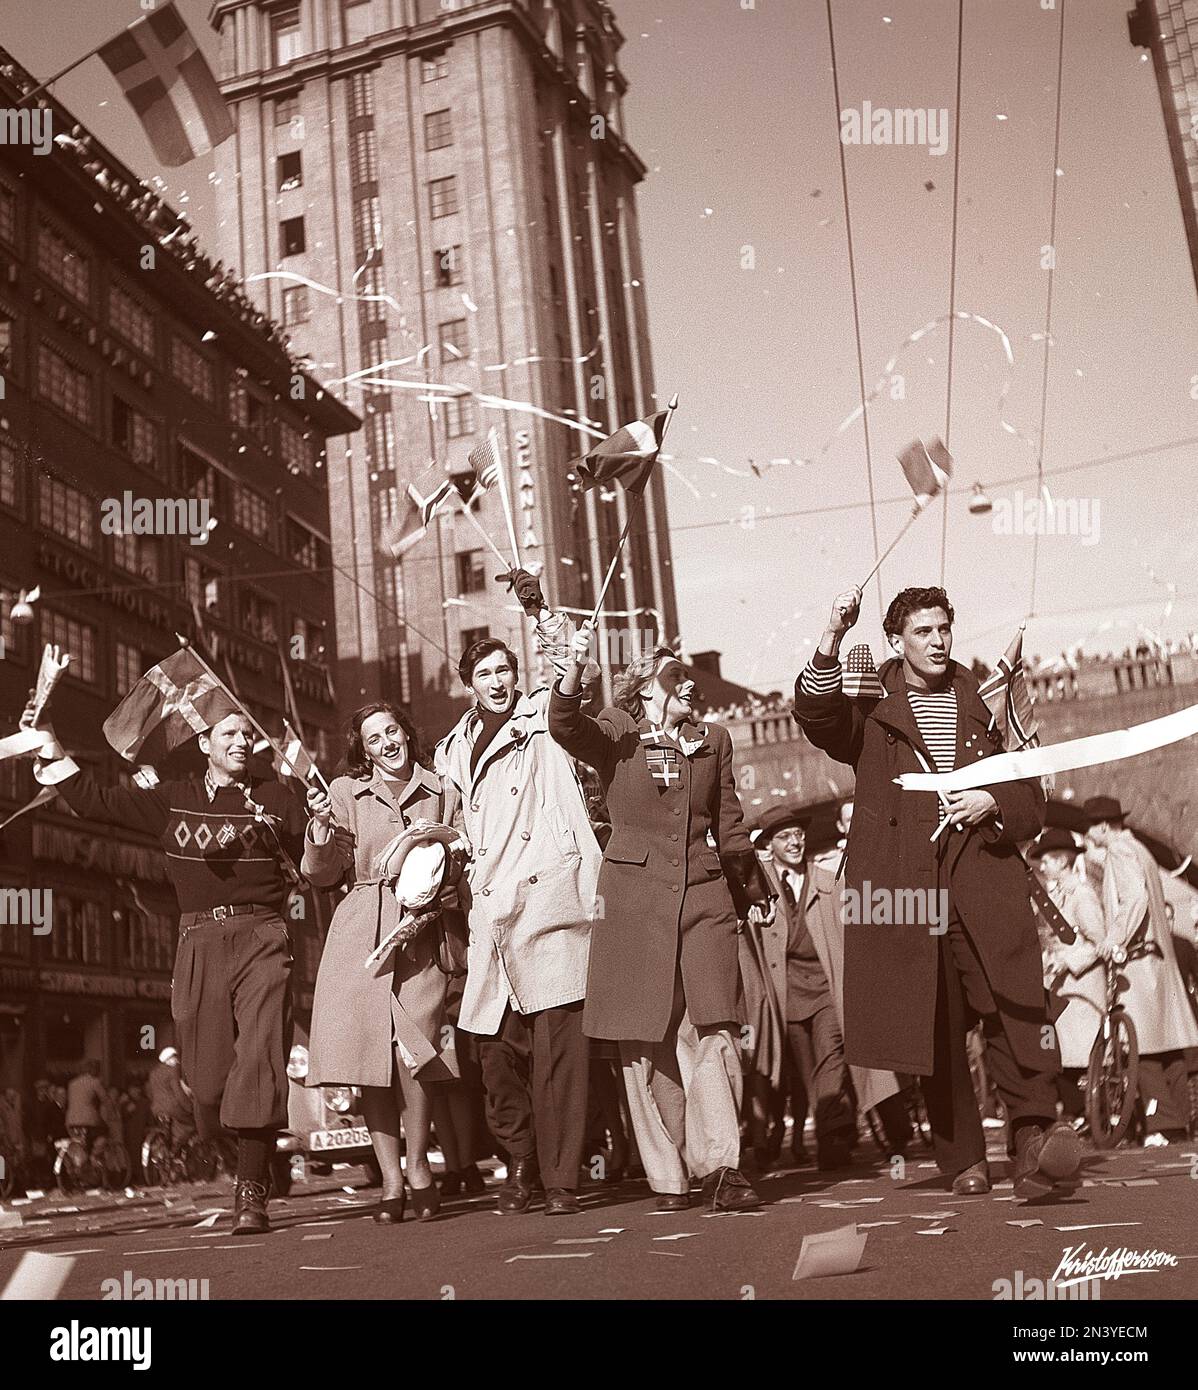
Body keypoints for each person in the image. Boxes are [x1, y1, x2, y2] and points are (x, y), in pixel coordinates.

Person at [793, 585, 1082, 1198]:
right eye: (923, 632)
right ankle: (964, 1161)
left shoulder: (985, 699)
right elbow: (816, 718)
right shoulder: (869, 704)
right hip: (905, 891)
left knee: (1011, 1012)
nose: (938, 640)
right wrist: (830, 637)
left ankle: (1032, 1143)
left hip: (984, 883)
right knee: (936, 1023)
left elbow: (1032, 798)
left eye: (944, 628)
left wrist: (992, 801)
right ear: (897, 641)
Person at [33, 709, 307, 1234]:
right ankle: (253, 1146)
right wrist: (51, 749)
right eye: (229, 733)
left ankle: (250, 1189)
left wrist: (317, 831)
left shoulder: (277, 797)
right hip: (198, 939)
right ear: (205, 743)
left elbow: (319, 868)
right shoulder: (174, 798)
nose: (242, 742)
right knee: (205, 1088)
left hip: (263, 935)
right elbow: (96, 801)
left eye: (247, 734)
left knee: (258, 1057)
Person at [549, 628, 774, 1212]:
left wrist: (751, 884)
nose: (688, 683)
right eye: (675, 675)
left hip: (704, 899)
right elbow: (565, 727)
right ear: (645, 689)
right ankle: (668, 1173)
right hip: (631, 904)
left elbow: (729, 823)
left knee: (713, 1026)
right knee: (644, 1041)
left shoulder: (714, 740)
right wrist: (573, 669)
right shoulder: (618, 734)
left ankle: (722, 1167)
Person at [435, 573, 601, 1218]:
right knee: (496, 1056)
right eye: (487, 675)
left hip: (550, 899)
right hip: (492, 916)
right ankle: (524, 1163)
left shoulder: (541, 717)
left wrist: (537, 609)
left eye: (507, 670)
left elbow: (568, 669)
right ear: (469, 686)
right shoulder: (451, 750)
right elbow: (451, 820)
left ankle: (560, 1180)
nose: (500, 682)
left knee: (560, 1052)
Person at [304, 702, 465, 1224]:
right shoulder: (344, 793)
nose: (386, 743)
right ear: (364, 749)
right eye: (374, 739)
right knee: (371, 1058)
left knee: (413, 1054)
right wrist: (321, 831)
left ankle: (418, 1165)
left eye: (392, 730)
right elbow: (323, 875)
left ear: (406, 732)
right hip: (362, 931)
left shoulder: (443, 790)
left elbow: (464, 857)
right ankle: (391, 1181)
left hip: (422, 932)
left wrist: (444, 873)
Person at [752, 802, 909, 1167]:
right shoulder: (758, 886)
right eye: (785, 837)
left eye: (798, 835)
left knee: (830, 1059)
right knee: (803, 1073)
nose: (794, 842)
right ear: (770, 845)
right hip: (785, 993)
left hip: (825, 989)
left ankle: (832, 1140)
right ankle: (784, 1136)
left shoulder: (829, 882)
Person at [1083, 796, 1198, 1143]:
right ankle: (1183, 1120)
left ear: (1103, 826)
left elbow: (1134, 899)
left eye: (1090, 828)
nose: (1088, 835)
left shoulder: (1119, 851)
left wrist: (1113, 939)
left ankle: (1162, 1123)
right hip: (1158, 962)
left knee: (1139, 1048)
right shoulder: (1142, 850)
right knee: (1168, 1049)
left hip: (1137, 960)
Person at [1028, 829, 1107, 1122]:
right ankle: (1077, 1114)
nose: (1043, 867)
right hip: (1064, 988)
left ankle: (1088, 1115)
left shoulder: (1082, 896)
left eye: (1046, 860)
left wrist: (1068, 961)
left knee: (1081, 1056)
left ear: (1061, 861)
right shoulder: (1058, 896)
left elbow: (1100, 942)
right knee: (1064, 1056)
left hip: (1082, 987)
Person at [147, 1048, 196, 1143]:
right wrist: (190, 1108)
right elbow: (178, 1093)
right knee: (193, 1124)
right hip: (173, 1109)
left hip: (157, 1110)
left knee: (168, 1130)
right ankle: (180, 1148)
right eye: (174, 1058)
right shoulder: (172, 1071)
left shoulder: (153, 1073)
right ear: (168, 1059)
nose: (177, 1061)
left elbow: (150, 1092)